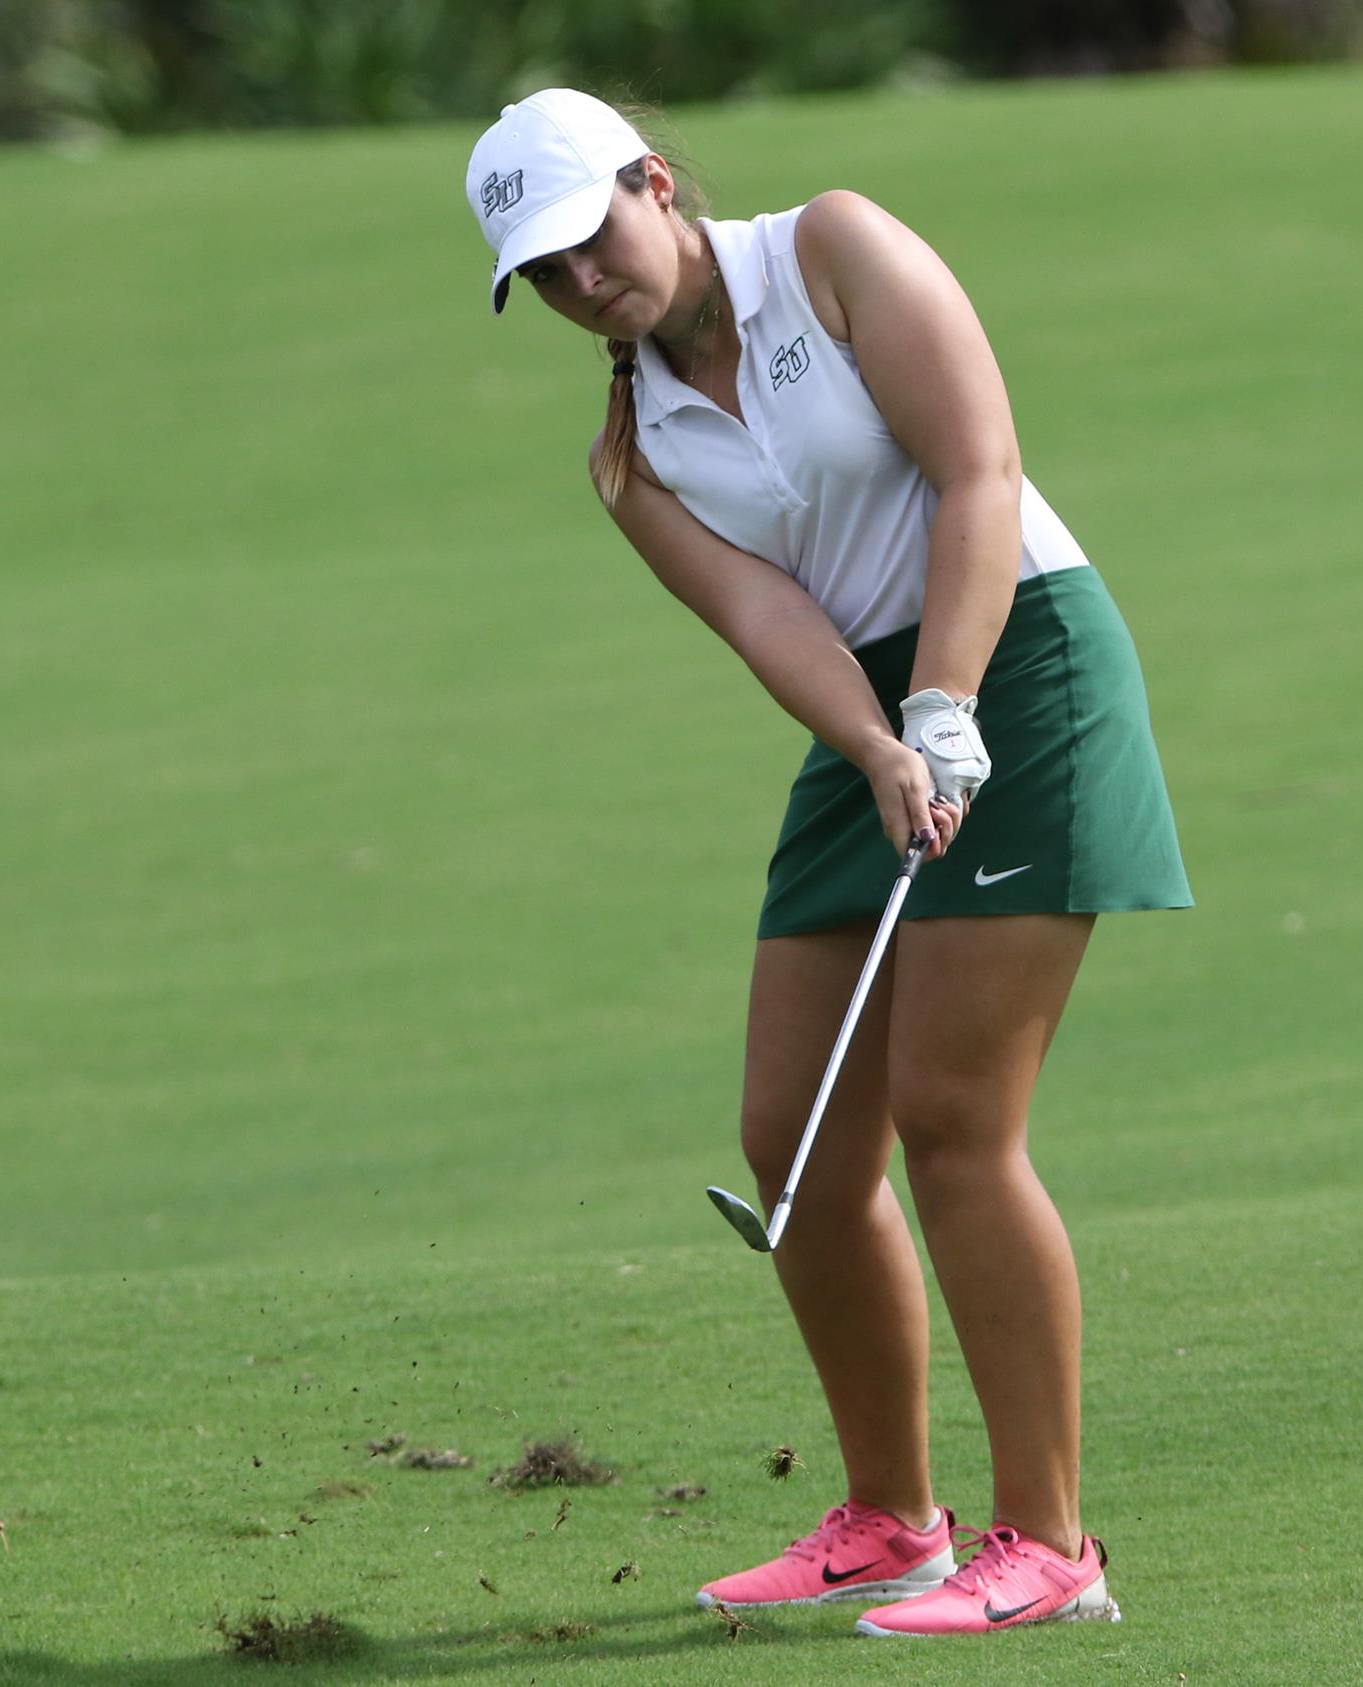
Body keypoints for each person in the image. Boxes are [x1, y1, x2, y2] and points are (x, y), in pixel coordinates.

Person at [464, 89, 1192, 1639]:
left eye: (593, 240)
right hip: (862, 709)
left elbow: (980, 471)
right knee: (794, 1147)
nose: (585, 286)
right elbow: (764, 619)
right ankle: (890, 1518)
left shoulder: (833, 249)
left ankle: (1053, 1547)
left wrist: (945, 700)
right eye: (547, 276)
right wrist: (875, 745)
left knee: (949, 1118)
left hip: (1023, 655)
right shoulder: (630, 453)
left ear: (654, 186)